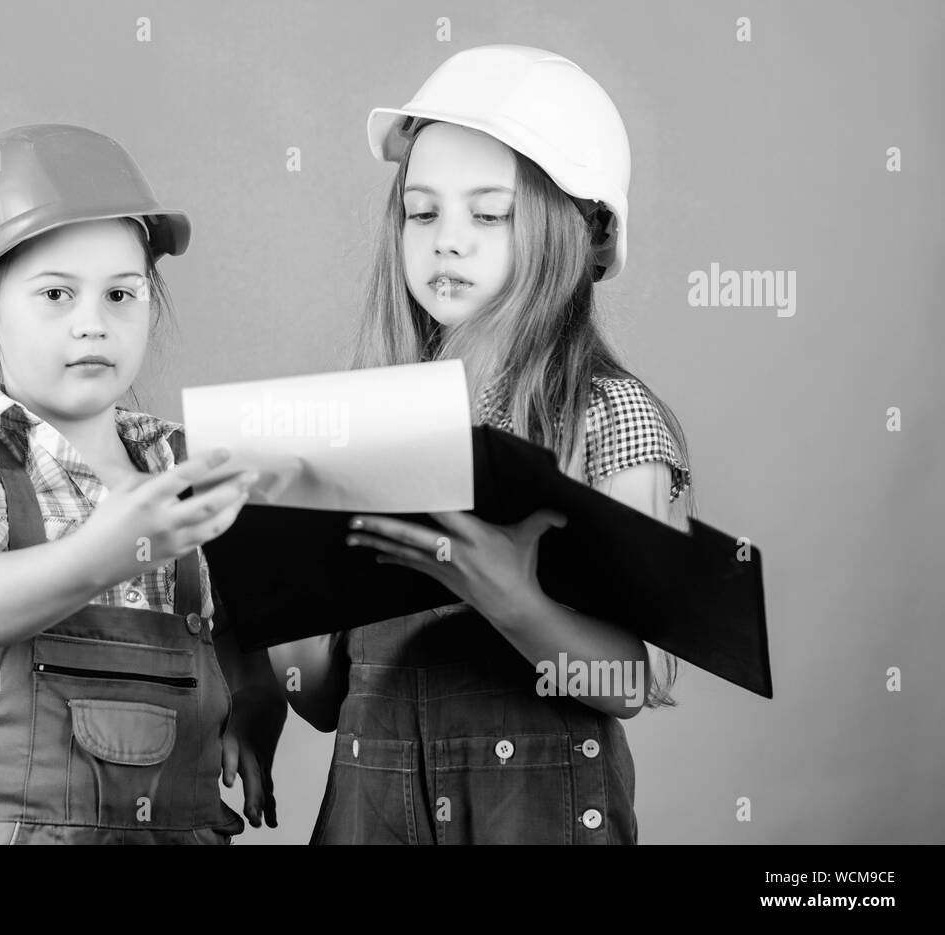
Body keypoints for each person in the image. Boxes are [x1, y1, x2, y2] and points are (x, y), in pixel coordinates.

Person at [268, 46, 695, 844]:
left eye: (489, 214)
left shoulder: (611, 416)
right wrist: (277, 590)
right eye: (423, 212)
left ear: (588, 229)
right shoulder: (369, 426)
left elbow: (629, 681)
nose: (447, 241)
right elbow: (322, 700)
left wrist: (511, 596)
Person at [0, 124, 284, 844]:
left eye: (122, 294)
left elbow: (241, 620)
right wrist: (107, 551)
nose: (93, 323)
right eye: (57, 294)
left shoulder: (189, 465)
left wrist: (254, 700)